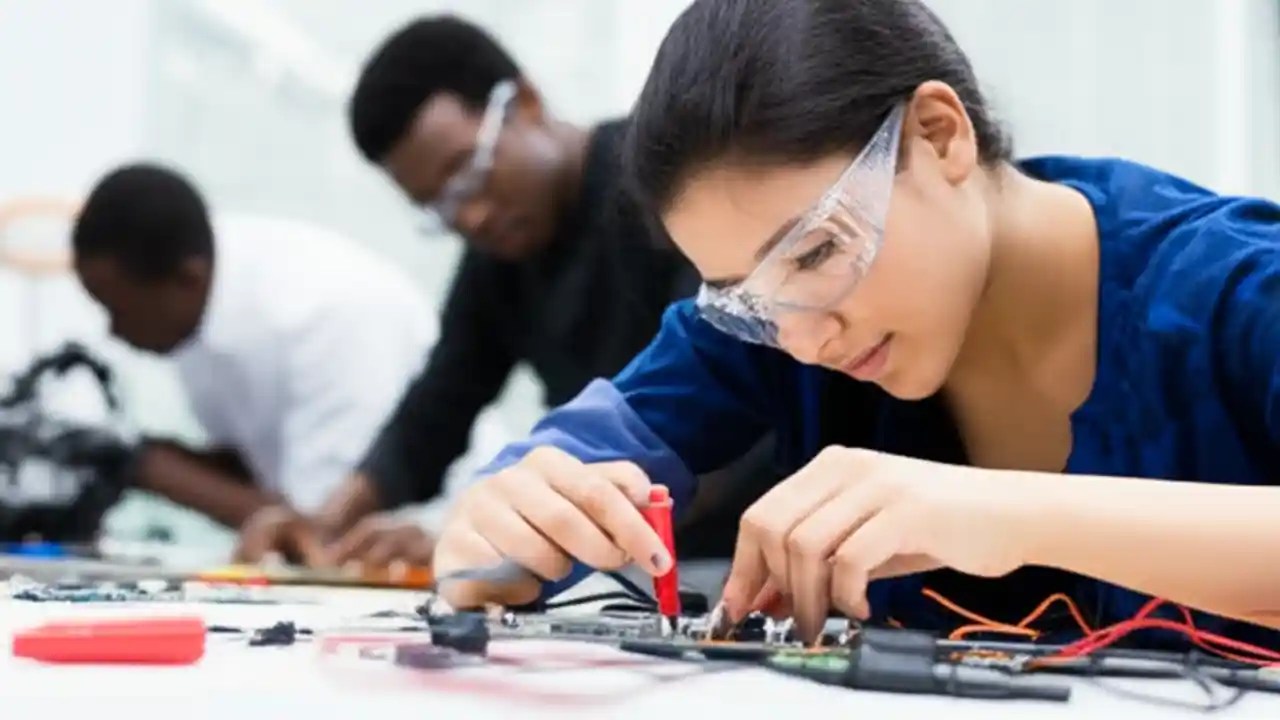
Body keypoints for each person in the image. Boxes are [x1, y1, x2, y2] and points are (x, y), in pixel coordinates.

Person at [430, 0, 1280, 649]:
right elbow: (550, 479)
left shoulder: (1233, 288)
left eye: (813, 253)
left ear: (939, 136)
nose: (803, 338)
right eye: (742, 295)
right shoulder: (774, 326)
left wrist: (1006, 513)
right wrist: (503, 525)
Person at [242, 15, 776, 568]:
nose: (469, 214)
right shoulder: (499, 257)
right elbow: (436, 407)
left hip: (751, 548)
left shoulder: (667, 189)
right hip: (626, 551)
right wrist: (326, 526)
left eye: (467, 173)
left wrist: (512, 540)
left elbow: (710, 404)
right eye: (438, 207)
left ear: (524, 103)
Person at [72, 163, 450, 559]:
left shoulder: (320, 314)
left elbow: (319, 529)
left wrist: (151, 468)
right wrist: (142, 454)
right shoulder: (199, 299)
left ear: (188, 278)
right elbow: (262, 472)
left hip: (436, 546)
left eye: (118, 308)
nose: (113, 331)